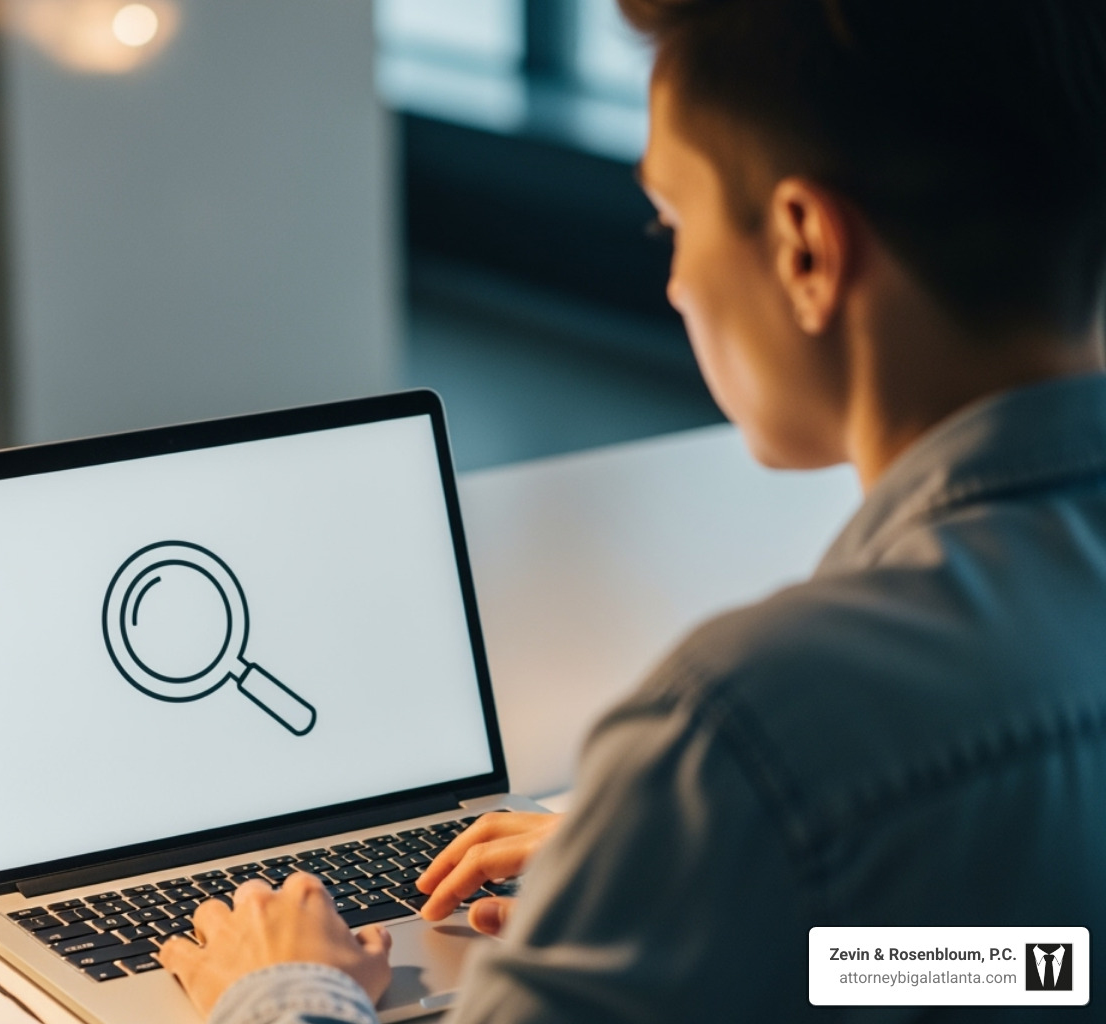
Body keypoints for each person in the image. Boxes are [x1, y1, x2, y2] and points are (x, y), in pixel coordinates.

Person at [158, 0, 1106, 1019]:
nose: (676, 282)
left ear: (805, 251)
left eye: (673, 223)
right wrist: (724, 895)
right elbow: (1049, 964)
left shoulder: (742, 728)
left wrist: (282, 987)